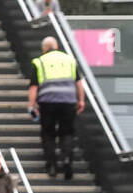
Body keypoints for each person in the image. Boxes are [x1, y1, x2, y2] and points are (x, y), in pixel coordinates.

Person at [27, 36, 84, 179]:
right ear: (57, 46)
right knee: (67, 133)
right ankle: (66, 160)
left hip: (48, 103)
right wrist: (81, 100)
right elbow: (79, 83)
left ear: (44, 48)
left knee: (48, 133)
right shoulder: (69, 60)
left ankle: (52, 165)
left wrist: (31, 105)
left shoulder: (39, 62)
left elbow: (33, 87)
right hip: (68, 102)